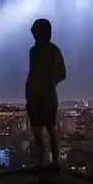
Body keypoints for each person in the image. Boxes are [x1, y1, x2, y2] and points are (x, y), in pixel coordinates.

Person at [25, 18, 66, 170]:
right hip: (36, 96)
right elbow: (33, 73)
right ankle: (44, 163)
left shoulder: (52, 51)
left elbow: (62, 73)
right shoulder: (34, 51)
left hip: (44, 96)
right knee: (40, 132)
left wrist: (50, 82)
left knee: (49, 130)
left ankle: (53, 163)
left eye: (34, 31)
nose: (33, 34)